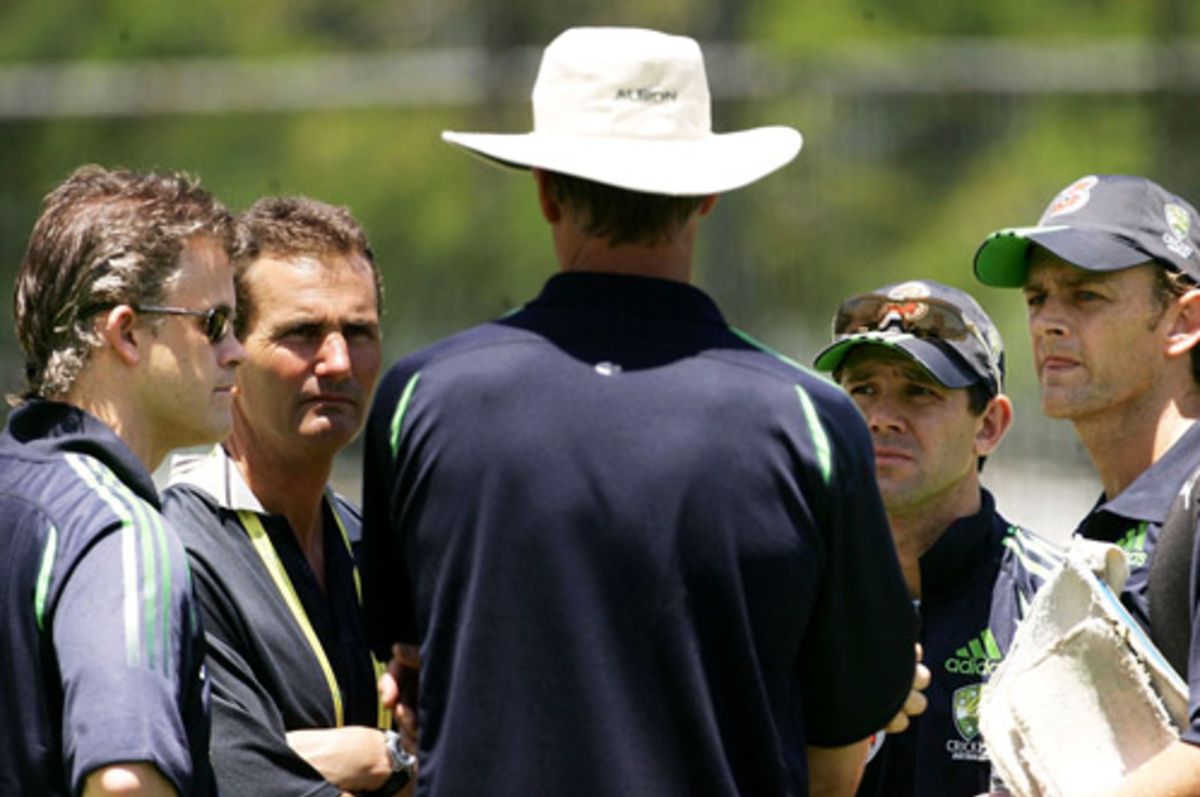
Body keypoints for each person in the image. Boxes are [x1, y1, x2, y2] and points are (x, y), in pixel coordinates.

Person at [360, 26, 916, 796]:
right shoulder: (811, 422)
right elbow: (844, 733)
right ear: (710, 191)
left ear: (545, 187)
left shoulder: (422, 397)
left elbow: (409, 663)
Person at [0, 164, 245, 796]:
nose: (237, 350)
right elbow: (124, 784)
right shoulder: (118, 530)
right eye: (214, 323)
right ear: (127, 332)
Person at [161, 196, 413, 797]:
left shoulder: (375, 545)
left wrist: (376, 758)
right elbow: (229, 776)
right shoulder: (174, 548)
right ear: (232, 351)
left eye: (359, 332)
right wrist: (396, 755)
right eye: (302, 334)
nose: (338, 362)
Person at [973, 173, 1200, 794]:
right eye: (1037, 297)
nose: (1048, 321)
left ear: (1184, 321)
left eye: (1086, 296)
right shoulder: (1115, 519)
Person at [812, 279, 1062, 796]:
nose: (881, 419)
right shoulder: (783, 588)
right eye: (863, 390)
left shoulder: (1056, 601)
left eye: (918, 391)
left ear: (988, 425)